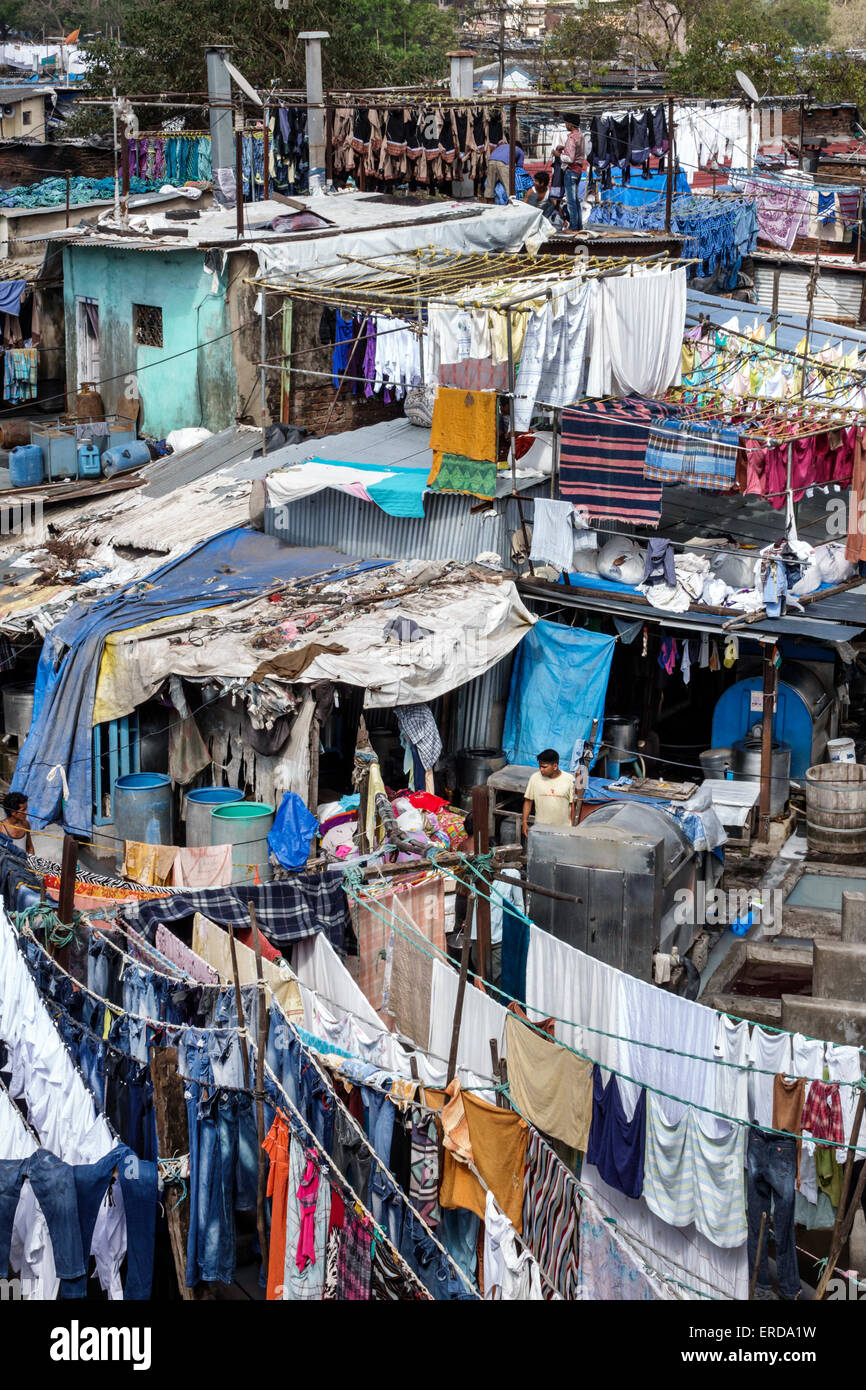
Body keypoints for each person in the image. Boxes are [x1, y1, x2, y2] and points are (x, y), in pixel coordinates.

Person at [521, 749, 575, 838]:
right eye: (540, 766)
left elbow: (573, 804)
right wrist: (524, 822)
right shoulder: (534, 778)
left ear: (555, 766)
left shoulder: (569, 779)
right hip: (540, 830)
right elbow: (528, 801)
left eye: (544, 767)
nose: (541, 769)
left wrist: (572, 828)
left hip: (563, 831)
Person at [553, 112, 585, 231]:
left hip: (571, 171)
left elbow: (570, 158)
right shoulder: (580, 135)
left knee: (571, 202)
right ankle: (579, 226)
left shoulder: (572, 138)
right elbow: (575, 153)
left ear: (570, 125)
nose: (565, 125)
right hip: (578, 171)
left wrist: (558, 154)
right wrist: (564, 148)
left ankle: (574, 227)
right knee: (575, 201)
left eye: (566, 123)